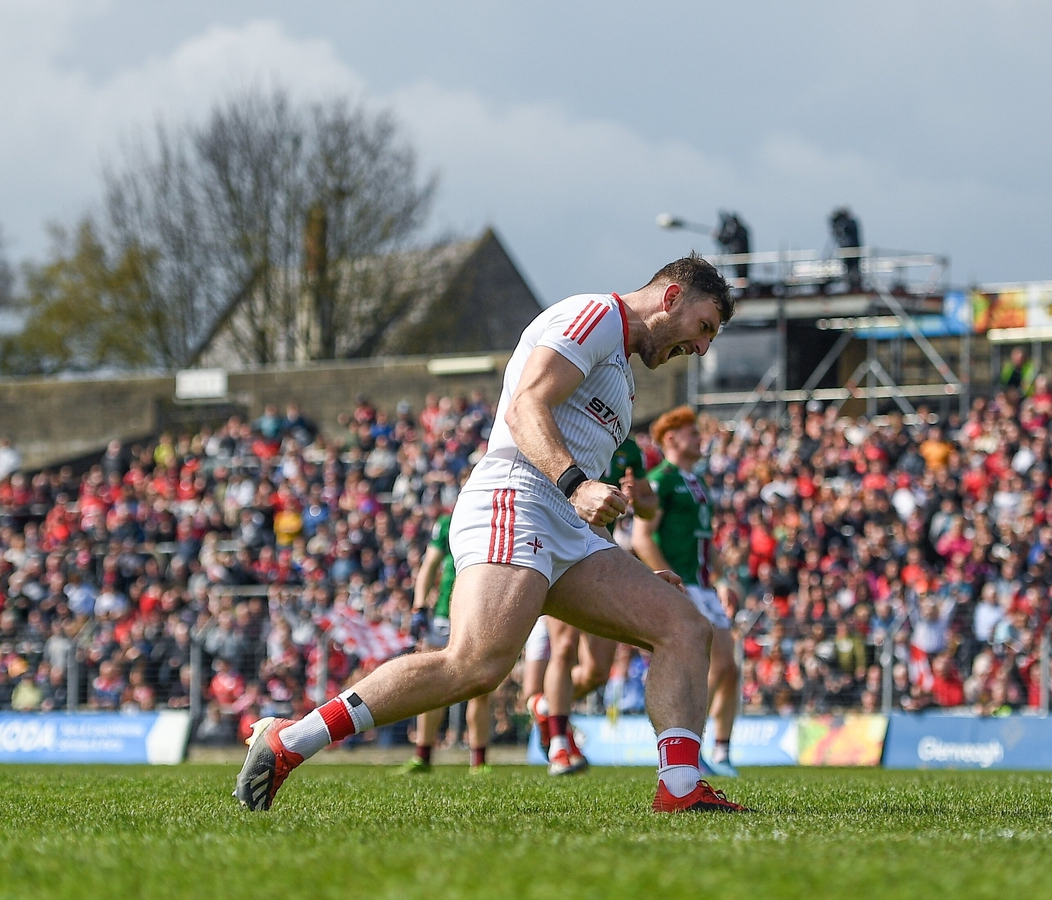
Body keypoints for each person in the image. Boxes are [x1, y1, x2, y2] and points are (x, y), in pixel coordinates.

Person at [235, 255, 746, 813]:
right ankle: (292, 740)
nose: (700, 349)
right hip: (516, 496)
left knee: (681, 625)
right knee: (476, 664)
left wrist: (628, 562)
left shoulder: (621, 372)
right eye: (703, 329)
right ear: (670, 299)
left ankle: (679, 790)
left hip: (566, 527)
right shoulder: (596, 315)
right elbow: (528, 406)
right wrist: (577, 485)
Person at [533, 434, 658, 776]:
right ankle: (559, 744)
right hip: (558, 546)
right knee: (564, 646)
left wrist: (637, 498)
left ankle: (546, 704)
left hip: (599, 555)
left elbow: (649, 509)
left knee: (598, 671)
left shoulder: (630, 448)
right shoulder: (569, 428)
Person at [633, 406, 741, 778]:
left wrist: (724, 580)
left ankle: (721, 751)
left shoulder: (697, 482)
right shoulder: (660, 479)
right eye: (692, 433)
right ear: (671, 439)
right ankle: (690, 747)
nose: (699, 438)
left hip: (706, 584)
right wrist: (669, 579)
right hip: (685, 584)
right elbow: (641, 536)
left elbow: (707, 541)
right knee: (711, 665)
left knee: (729, 669)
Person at [394, 504, 494, 775]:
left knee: (482, 687)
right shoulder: (449, 522)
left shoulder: (497, 518)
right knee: (433, 684)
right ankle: (423, 755)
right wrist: (418, 607)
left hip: (481, 612)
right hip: (444, 613)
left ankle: (479, 760)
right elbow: (430, 565)